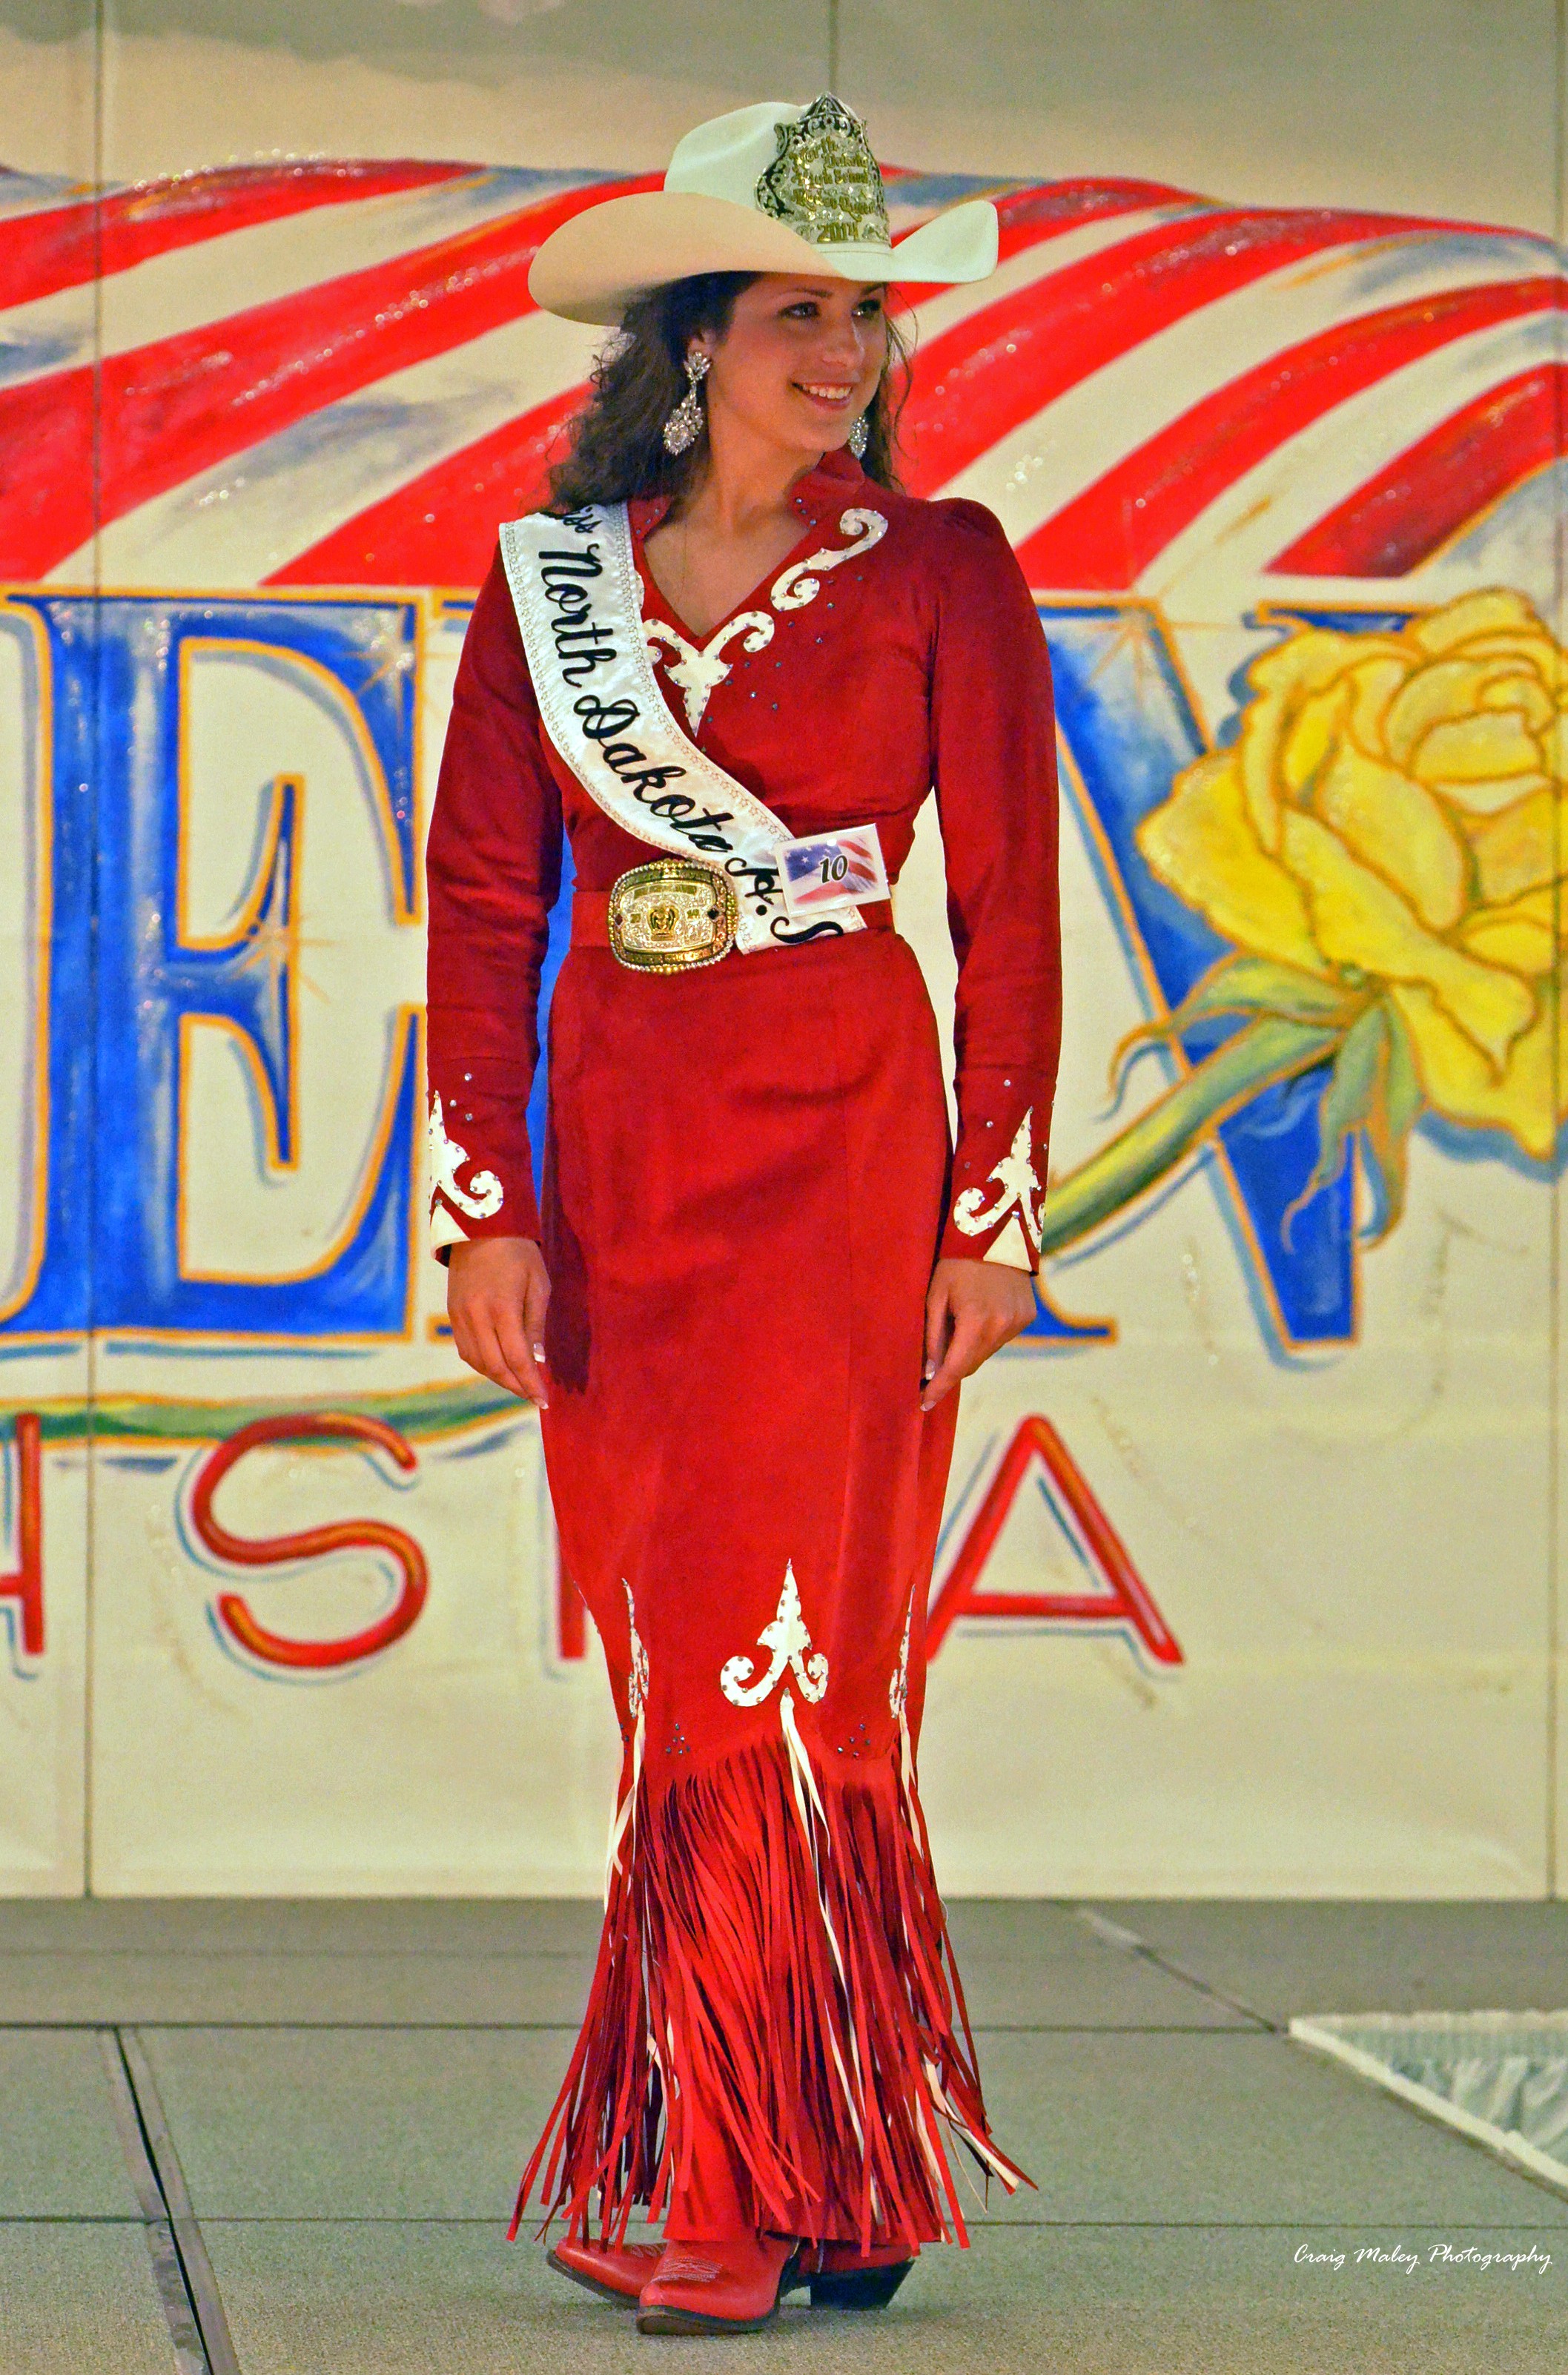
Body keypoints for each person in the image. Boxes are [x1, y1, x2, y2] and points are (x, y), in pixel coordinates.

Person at [424, 94, 1062, 2338]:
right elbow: (482, 902)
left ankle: (732, 2187)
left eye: (866, 312)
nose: (850, 349)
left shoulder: (941, 565)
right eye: (803, 310)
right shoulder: (549, 586)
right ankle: (838, 2161)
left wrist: (990, 1212)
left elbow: (1008, 908)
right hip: (626, 1164)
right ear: (693, 337)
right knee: (689, 1659)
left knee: (785, 1663)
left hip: (844, 1152)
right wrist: (486, 1205)